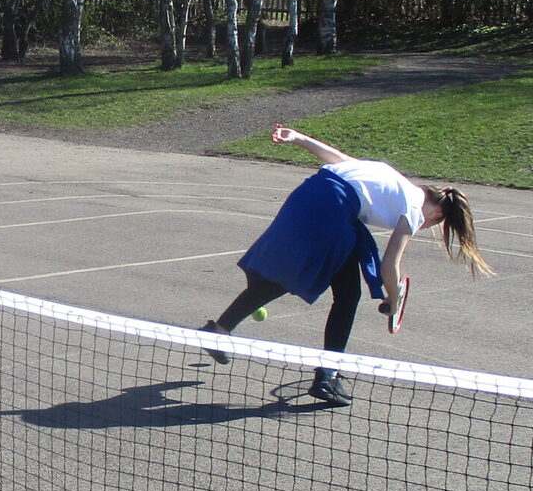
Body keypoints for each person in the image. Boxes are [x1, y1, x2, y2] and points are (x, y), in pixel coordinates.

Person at [199, 124, 492, 405]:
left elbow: (338, 160)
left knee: (303, 281)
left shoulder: (391, 176)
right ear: (439, 214)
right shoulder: (415, 211)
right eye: (435, 224)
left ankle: (222, 331)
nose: (428, 226)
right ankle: (326, 375)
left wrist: (298, 137)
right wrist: (393, 297)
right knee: (332, 291)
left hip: (309, 193)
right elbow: (390, 262)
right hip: (334, 207)